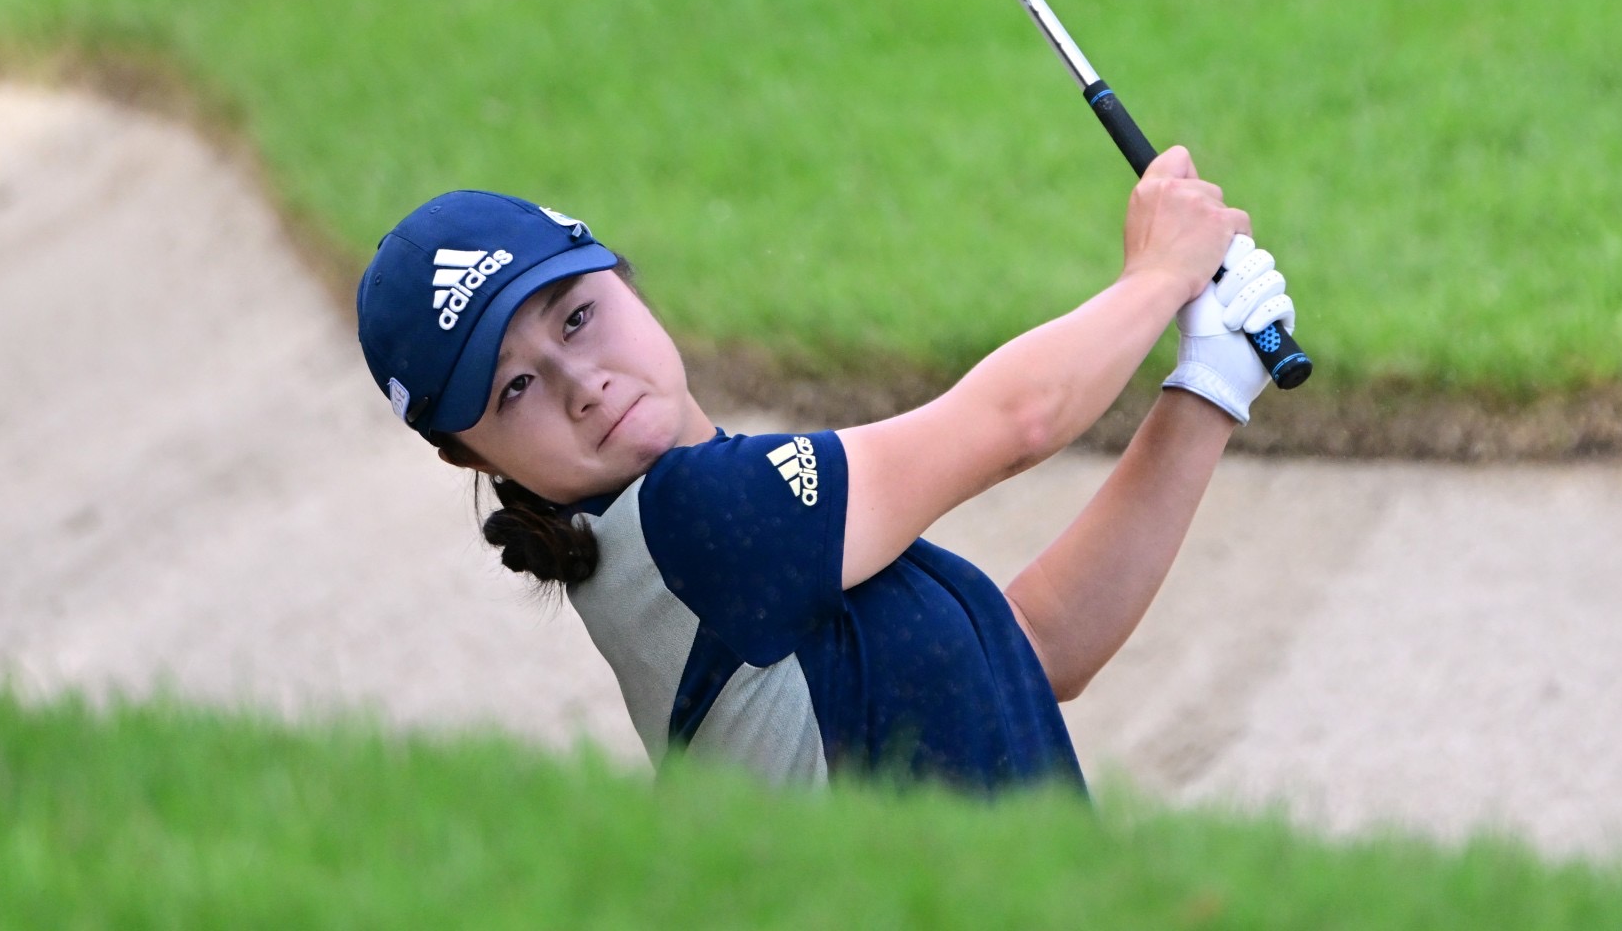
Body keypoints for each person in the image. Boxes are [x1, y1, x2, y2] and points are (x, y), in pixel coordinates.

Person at [354, 146, 1295, 794]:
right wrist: (1160, 273)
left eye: (575, 317)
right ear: (470, 454)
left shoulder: (687, 536)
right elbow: (1020, 417)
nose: (581, 384)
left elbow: (1037, 648)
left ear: (624, 280)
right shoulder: (697, 518)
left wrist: (1210, 384)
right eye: (515, 387)